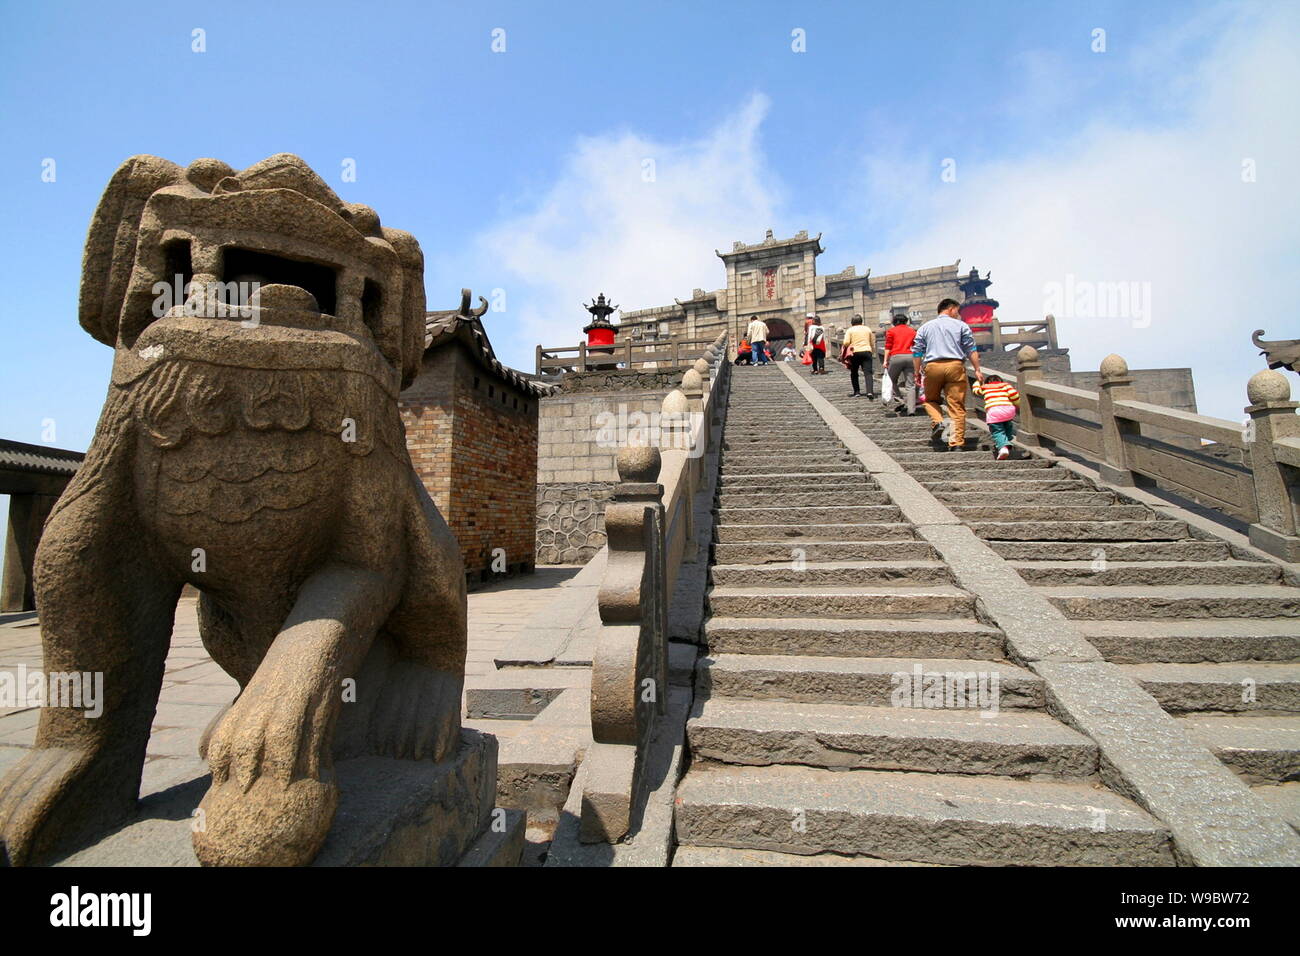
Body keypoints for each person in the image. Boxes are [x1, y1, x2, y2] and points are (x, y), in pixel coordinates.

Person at [912, 299, 983, 450]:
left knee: (930, 400)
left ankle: (938, 421)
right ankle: (957, 443)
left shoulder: (925, 327)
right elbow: (971, 349)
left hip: (932, 367)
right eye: (957, 311)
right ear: (950, 309)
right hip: (955, 366)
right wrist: (977, 368)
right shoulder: (962, 326)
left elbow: (917, 351)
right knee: (956, 405)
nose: (958, 314)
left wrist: (917, 372)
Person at [974, 373, 1020, 460]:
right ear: (1000, 381)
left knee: (997, 431)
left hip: (994, 411)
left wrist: (978, 381)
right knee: (1007, 426)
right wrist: (1017, 405)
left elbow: (976, 391)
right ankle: (1007, 439)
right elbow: (1015, 396)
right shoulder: (1006, 386)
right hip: (1008, 410)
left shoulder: (985, 387)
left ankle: (1003, 447)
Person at [884, 314, 918, 415]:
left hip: (896, 357)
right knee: (910, 385)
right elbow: (916, 346)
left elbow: (888, 347)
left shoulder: (891, 331)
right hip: (910, 357)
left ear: (894, 321)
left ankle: (901, 400)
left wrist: (885, 360)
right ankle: (911, 410)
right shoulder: (912, 331)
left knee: (891, 381)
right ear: (906, 321)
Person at [840, 314, 876, 397]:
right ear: (861, 321)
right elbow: (872, 342)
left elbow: (846, 342)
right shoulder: (867, 329)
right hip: (866, 351)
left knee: (854, 372)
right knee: (868, 373)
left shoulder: (850, 330)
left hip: (854, 353)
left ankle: (857, 392)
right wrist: (872, 352)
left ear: (852, 322)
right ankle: (869, 391)